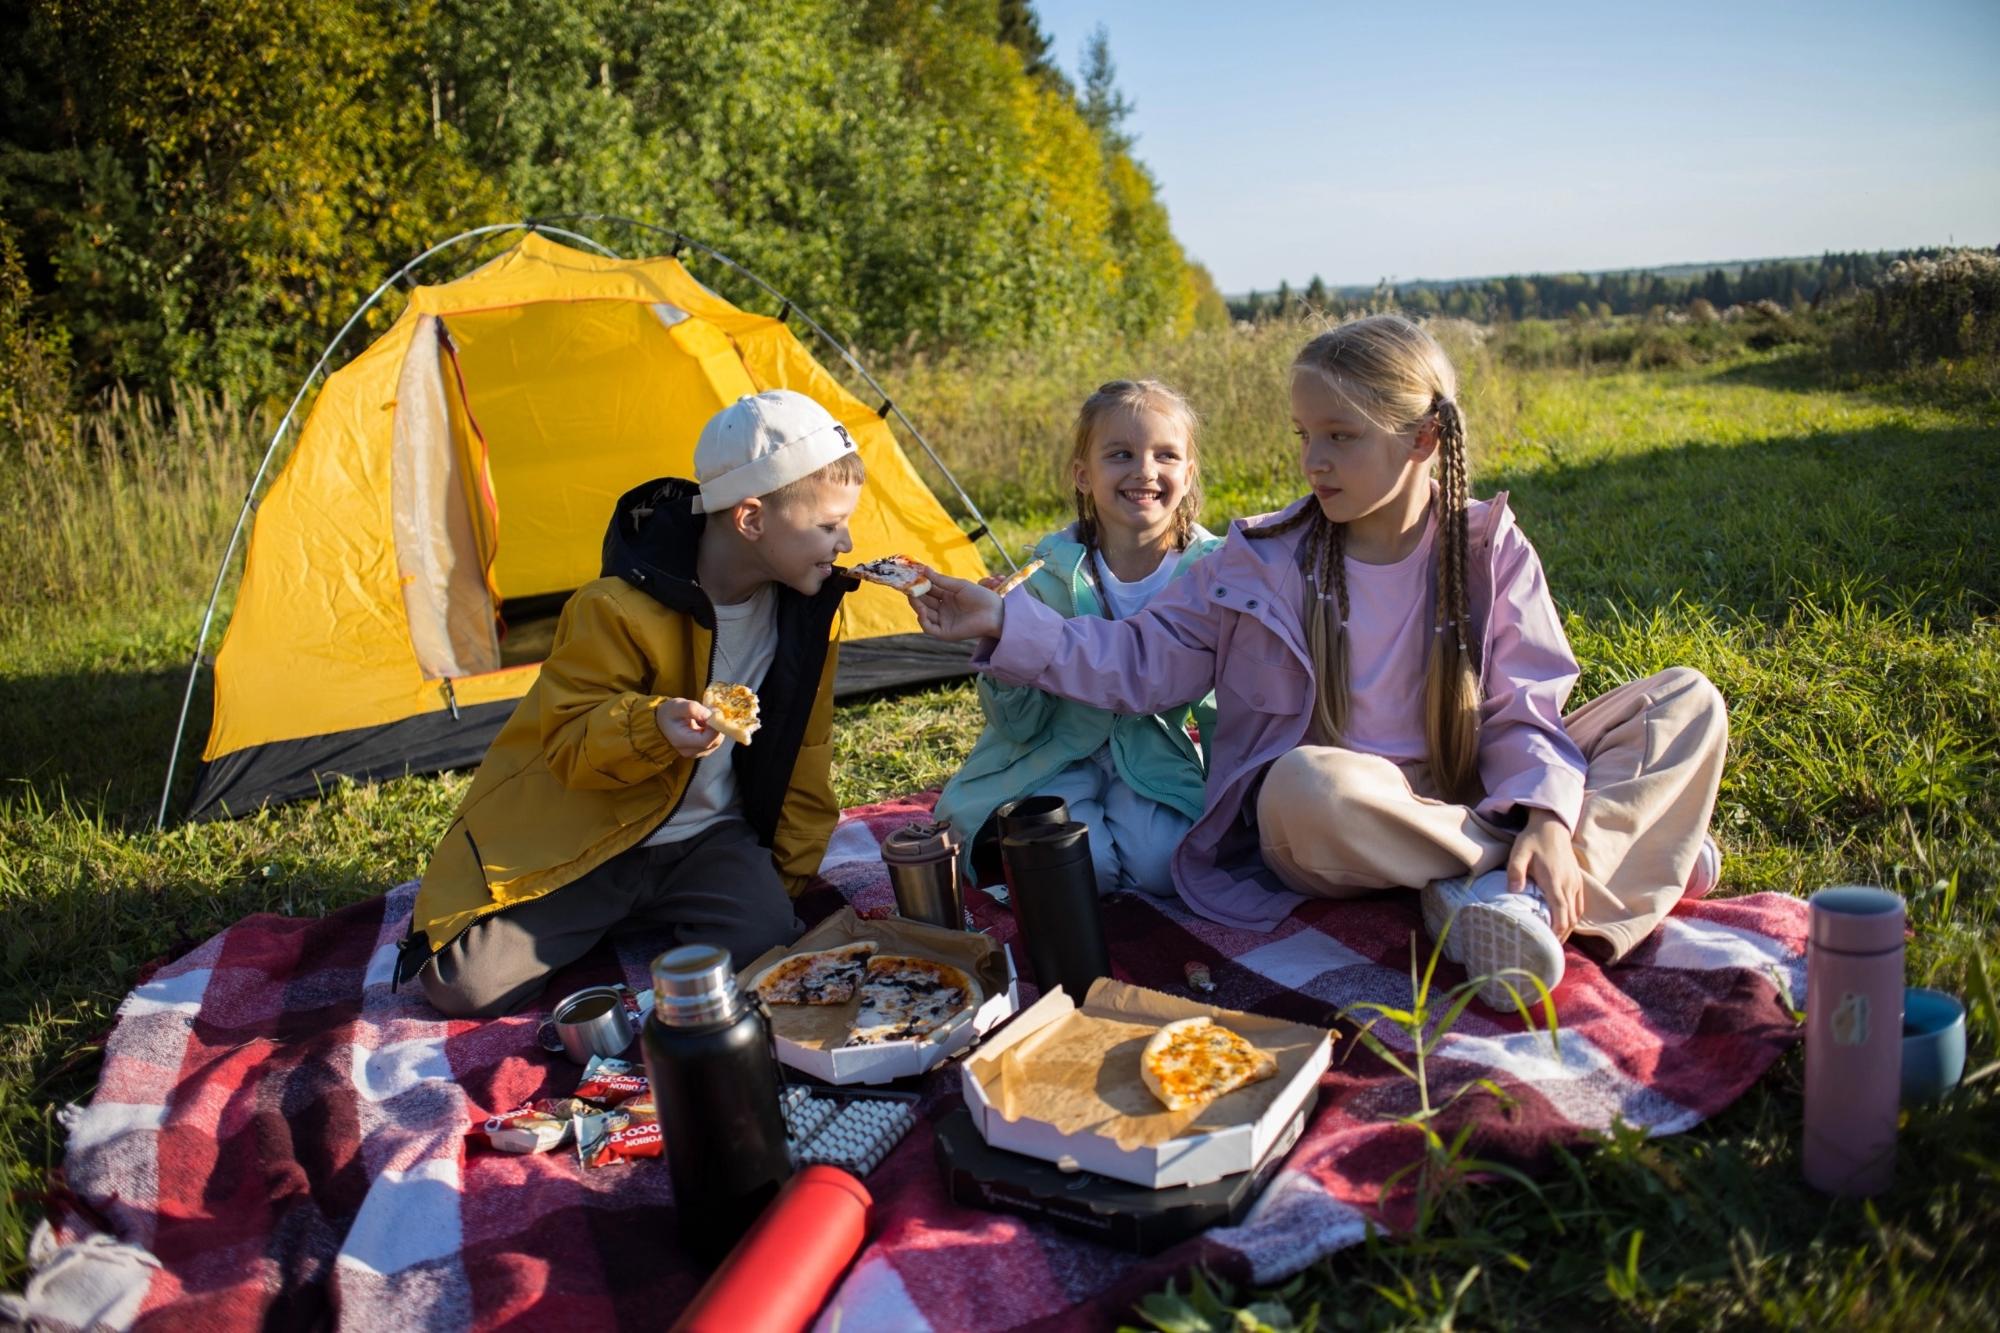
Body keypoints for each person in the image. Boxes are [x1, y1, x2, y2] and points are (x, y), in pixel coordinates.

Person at [909, 315, 1727, 1011]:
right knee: (1303, 784)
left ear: (1423, 439)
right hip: (1337, 820)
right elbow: (1140, 657)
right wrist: (1004, 621)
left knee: (1686, 701)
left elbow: (1526, 709)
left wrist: (1546, 813)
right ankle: (1540, 872)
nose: (1313, 461)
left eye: (1340, 437)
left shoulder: (1487, 548)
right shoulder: (1261, 557)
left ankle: (1495, 880)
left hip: (1473, 783)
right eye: (1306, 435)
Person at [400, 389, 867, 1018]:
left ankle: (665, 920)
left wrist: (777, 887)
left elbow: (805, 755)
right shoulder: (614, 608)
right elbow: (567, 741)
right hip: (597, 837)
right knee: (463, 988)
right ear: (751, 519)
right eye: (829, 524)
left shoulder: (807, 617)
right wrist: (651, 727)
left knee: (767, 957)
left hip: (709, 843)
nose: (846, 540)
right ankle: (592, 915)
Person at [935, 380, 1222, 897]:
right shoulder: (1042, 579)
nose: (1145, 471)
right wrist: (1001, 642)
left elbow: (1225, 705)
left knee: (1167, 869)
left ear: (1189, 472)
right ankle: (1015, 839)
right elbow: (1017, 724)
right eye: (1120, 454)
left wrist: (1234, 796)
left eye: (1166, 455)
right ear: (1083, 475)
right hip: (1055, 752)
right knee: (1081, 870)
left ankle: (1048, 843)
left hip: (1152, 754)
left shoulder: (1209, 576)